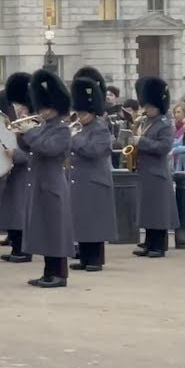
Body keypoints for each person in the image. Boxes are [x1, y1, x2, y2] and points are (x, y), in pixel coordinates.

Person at [19, 69, 75, 287]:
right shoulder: (43, 127)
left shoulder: (62, 130)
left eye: (46, 107)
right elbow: (31, 148)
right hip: (41, 183)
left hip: (52, 184)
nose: (42, 111)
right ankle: (48, 271)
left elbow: (49, 149)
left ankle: (59, 274)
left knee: (56, 231)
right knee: (45, 230)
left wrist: (30, 133)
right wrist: (22, 133)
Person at [67, 74, 116, 271]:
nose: (80, 116)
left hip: (96, 180)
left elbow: (94, 150)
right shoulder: (79, 126)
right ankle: (86, 258)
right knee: (82, 221)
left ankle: (95, 260)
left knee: (95, 222)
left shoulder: (100, 128)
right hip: (80, 179)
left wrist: (73, 139)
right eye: (79, 112)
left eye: (83, 113)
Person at [132, 77, 180, 258]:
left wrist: (141, 141)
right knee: (148, 210)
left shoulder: (165, 124)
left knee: (159, 212)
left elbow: (164, 147)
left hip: (158, 173)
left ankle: (159, 246)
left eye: (150, 106)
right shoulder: (146, 122)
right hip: (146, 171)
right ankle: (149, 242)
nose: (146, 109)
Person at [0, 73, 33, 261]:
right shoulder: (21, 121)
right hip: (15, 173)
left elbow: (36, 152)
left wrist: (16, 154)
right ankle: (16, 248)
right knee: (14, 213)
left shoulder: (34, 123)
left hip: (27, 174)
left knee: (21, 213)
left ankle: (24, 250)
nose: (18, 110)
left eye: (21, 107)